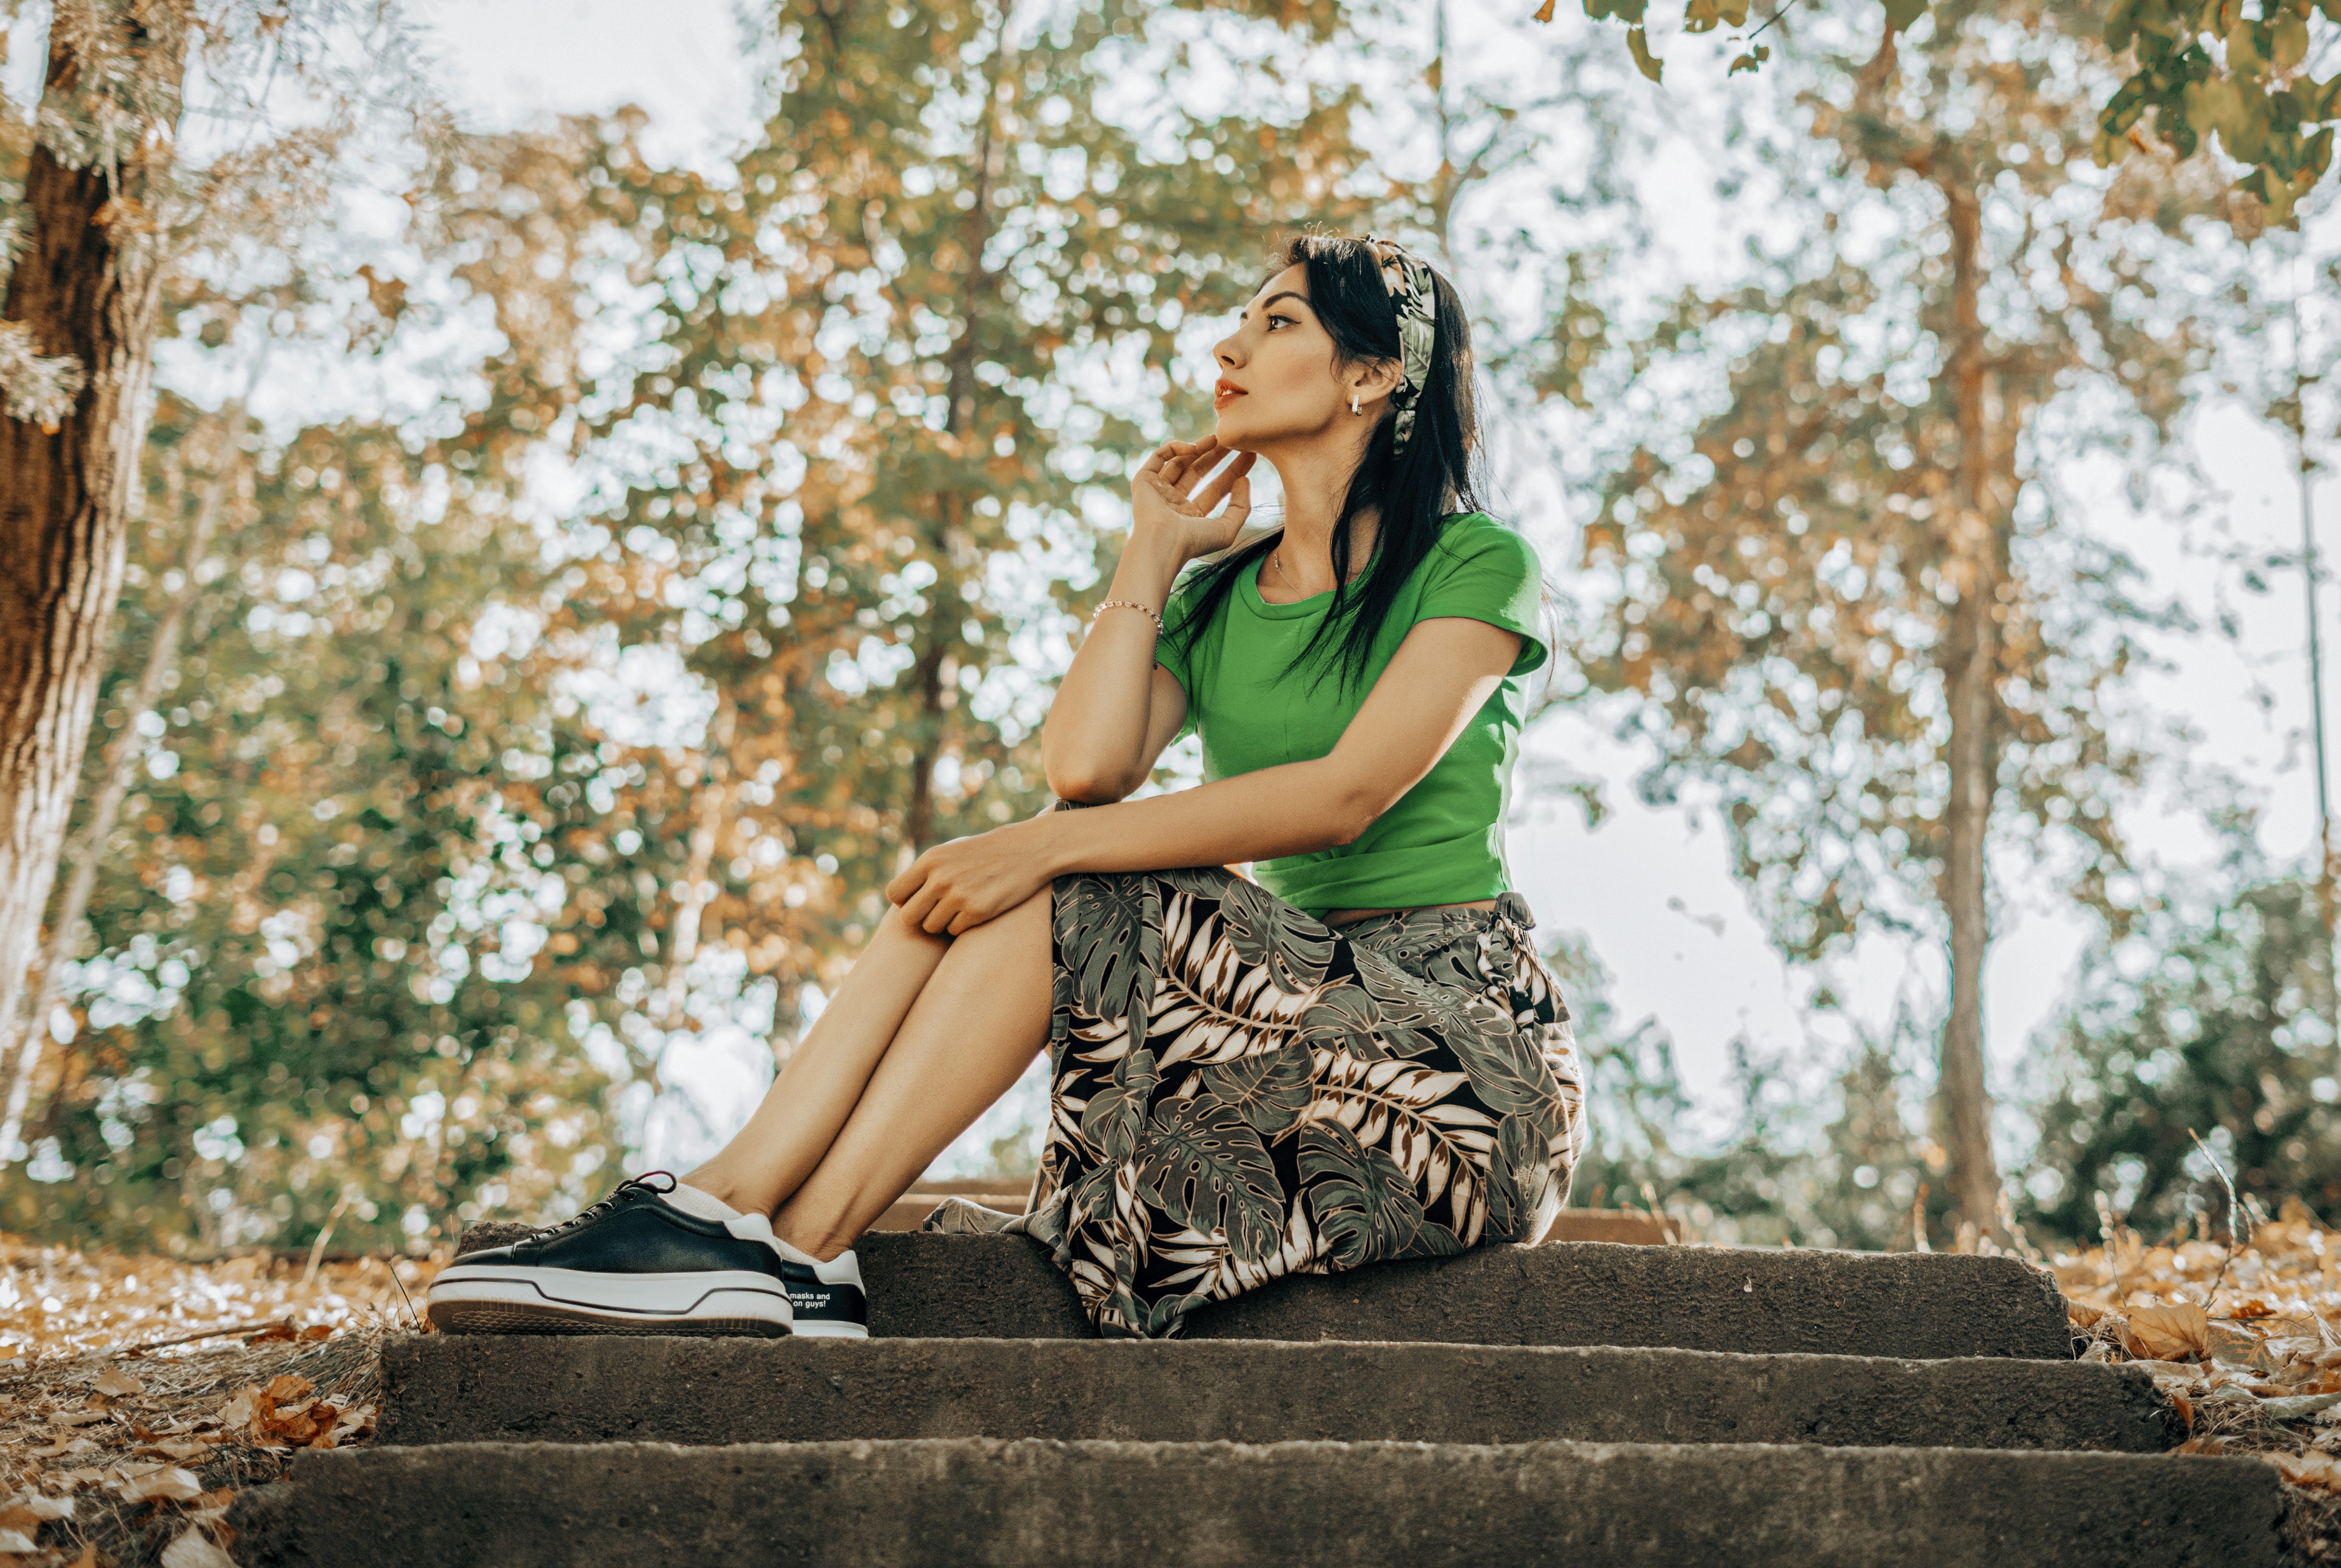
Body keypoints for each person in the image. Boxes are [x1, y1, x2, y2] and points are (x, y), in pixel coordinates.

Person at [425, 231, 1583, 1341]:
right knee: (1044, 849)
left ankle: (793, 1235)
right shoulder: (1220, 598)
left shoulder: (1473, 562)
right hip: (1272, 1036)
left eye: (1275, 322)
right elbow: (1085, 769)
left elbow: (1344, 795)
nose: (1225, 350)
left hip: (1457, 1064)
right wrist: (1150, 551)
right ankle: (746, 1218)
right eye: (1236, 322)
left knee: (1063, 862)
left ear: (1374, 374)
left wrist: (1045, 851)